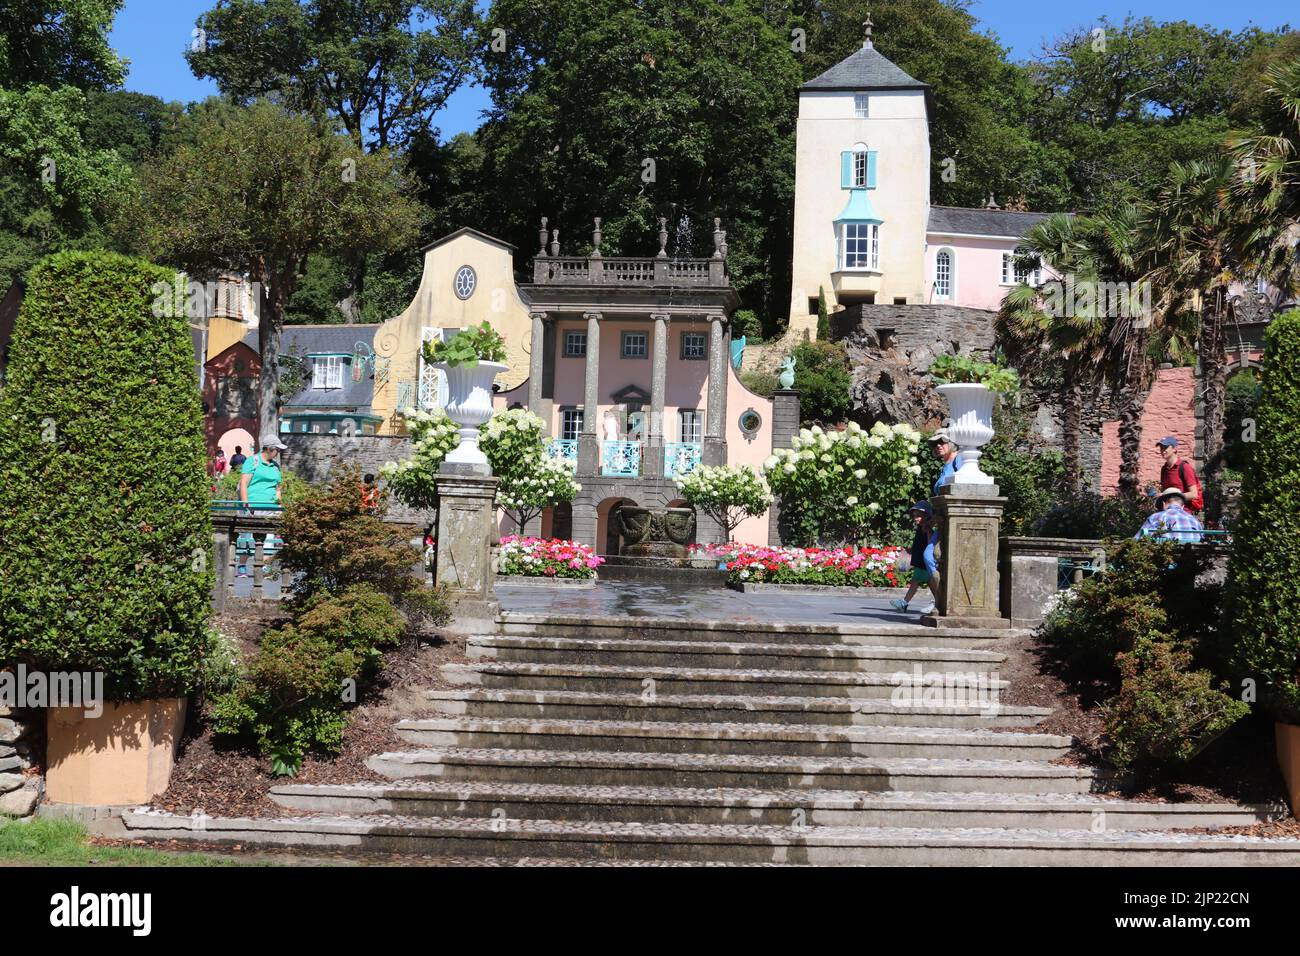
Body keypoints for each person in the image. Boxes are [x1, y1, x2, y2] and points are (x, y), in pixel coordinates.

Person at [235, 435, 288, 576]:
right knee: (248, 537)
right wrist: (246, 504)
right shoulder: (252, 461)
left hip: (271, 507)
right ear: (270, 449)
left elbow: (277, 489)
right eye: (277, 449)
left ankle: (263, 566)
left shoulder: (275, 466)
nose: (278, 452)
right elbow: (243, 484)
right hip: (253, 505)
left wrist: (280, 507)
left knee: (270, 538)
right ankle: (242, 565)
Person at [891, 502, 938, 613]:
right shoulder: (919, 529)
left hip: (924, 562)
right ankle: (936, 601)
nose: (915, 518)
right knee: (922, 582)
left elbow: (930, 545)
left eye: (918, 516)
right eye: (914, 516)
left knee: (921, 582)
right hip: (920, 562)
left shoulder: (927, 530)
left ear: (926, 516)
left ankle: (905, 602)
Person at [1135, 487, 1204, 543]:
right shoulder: (1194, 520)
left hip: (1165, 557)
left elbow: (1136, 541)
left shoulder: (1155, 517)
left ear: (1163, 504)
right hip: (1191, 558)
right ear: (1182, 506)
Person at [1156, 436, 1203, 512]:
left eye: (1165, 447)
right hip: (1167, 513)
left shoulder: (1185, 467)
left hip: (1183, 513)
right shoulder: (1164, 469)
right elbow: (1164, 491)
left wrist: (1172, 496)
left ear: (1174, 449)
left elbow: (1194, 494)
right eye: (1161, 448)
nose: (1162, 450)